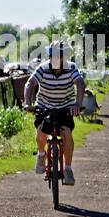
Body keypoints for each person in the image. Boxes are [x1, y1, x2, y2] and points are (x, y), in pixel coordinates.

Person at [24, 40, 86, 186]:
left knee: (66, 134)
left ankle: (68, 168)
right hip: (44, 106)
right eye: (54, 56)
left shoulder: (71, 68)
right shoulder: (43, 68)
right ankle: (41, 154)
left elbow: (80, 84)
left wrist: (77, 104)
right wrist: (28, 103)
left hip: (65, 107)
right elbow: (30, 83)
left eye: (61, 56)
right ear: (50, 56)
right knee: (41, 132)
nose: (57, 60)